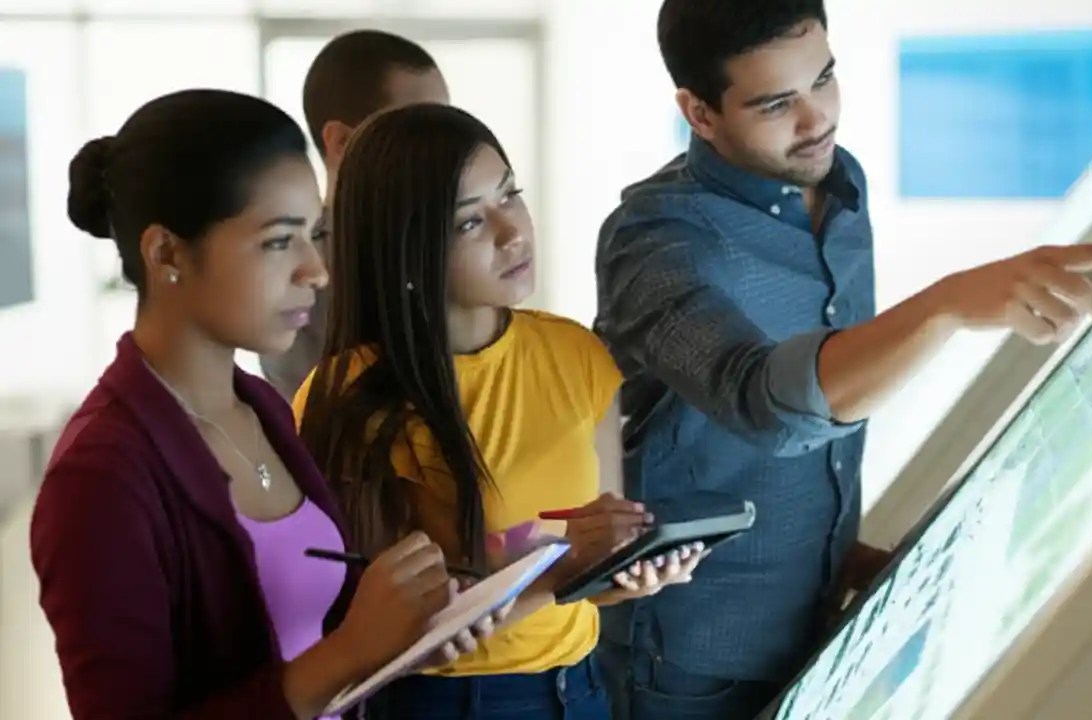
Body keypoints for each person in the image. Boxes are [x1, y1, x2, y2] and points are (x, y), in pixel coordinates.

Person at [591, 1, 1092, 718]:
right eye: (776, 104)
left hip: (823, 637)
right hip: (689, 664)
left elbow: (791, 453)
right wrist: (946, 305)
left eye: (824, 80)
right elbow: (760, 401)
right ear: (699, 113)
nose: (816, 119)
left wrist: (842, 558)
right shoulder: (656, 239)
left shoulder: (841, 188)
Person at [31, 89, 500, 720]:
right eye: (279, 242)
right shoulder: (101, 476)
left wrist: (415, 625)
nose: (316, 271)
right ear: (166, 252)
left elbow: (305, 632)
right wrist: (353, 649)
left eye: (313, 235)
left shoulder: (266, 410)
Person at [294, 103, 705, 720]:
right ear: (406, 248)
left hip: (583, 689)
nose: (512, 231)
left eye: (510, 194)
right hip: (450, 704)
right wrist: (562, 570)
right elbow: (388, 645)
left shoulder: (576, 353)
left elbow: (589, 565)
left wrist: (628, 569)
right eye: (468, 222)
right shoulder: (351, 398)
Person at [260, 29, 451, 400]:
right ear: (341, 142)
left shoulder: (441, 240)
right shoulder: (298, 265)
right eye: (418, 129)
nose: (444, 149)